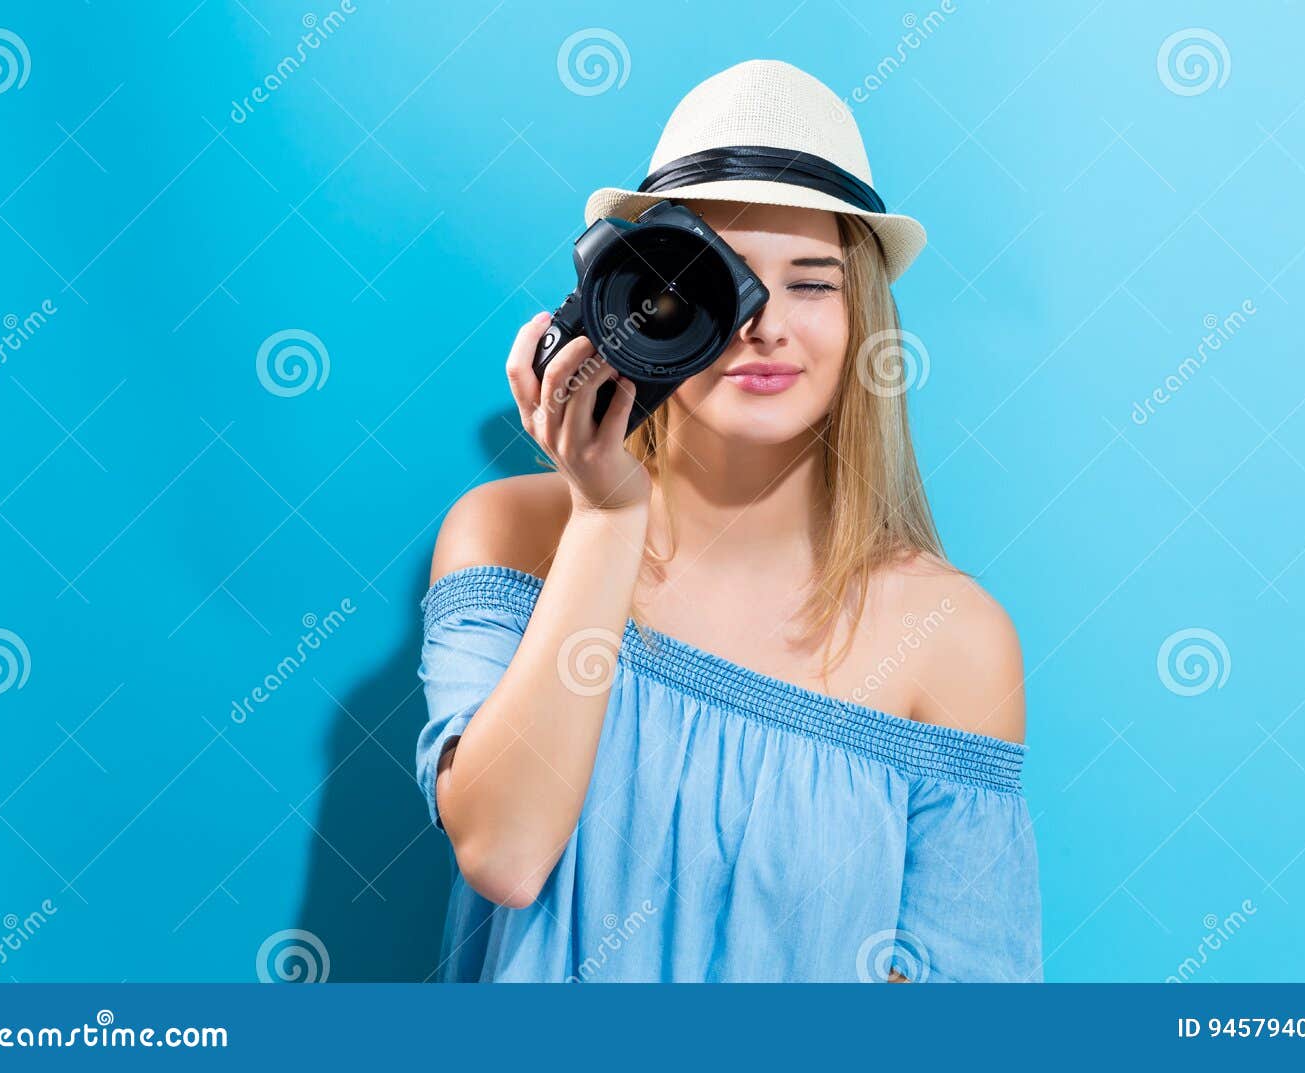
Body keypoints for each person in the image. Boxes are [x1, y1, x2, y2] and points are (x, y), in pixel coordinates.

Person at [415, 59, 1040, 982]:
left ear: (863, 315)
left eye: (812, 284)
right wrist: (606, 510)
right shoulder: (508, 533)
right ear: (641, 301)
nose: (764, 325)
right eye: (722, 282)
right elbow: (504, 855)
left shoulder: (956, 639)